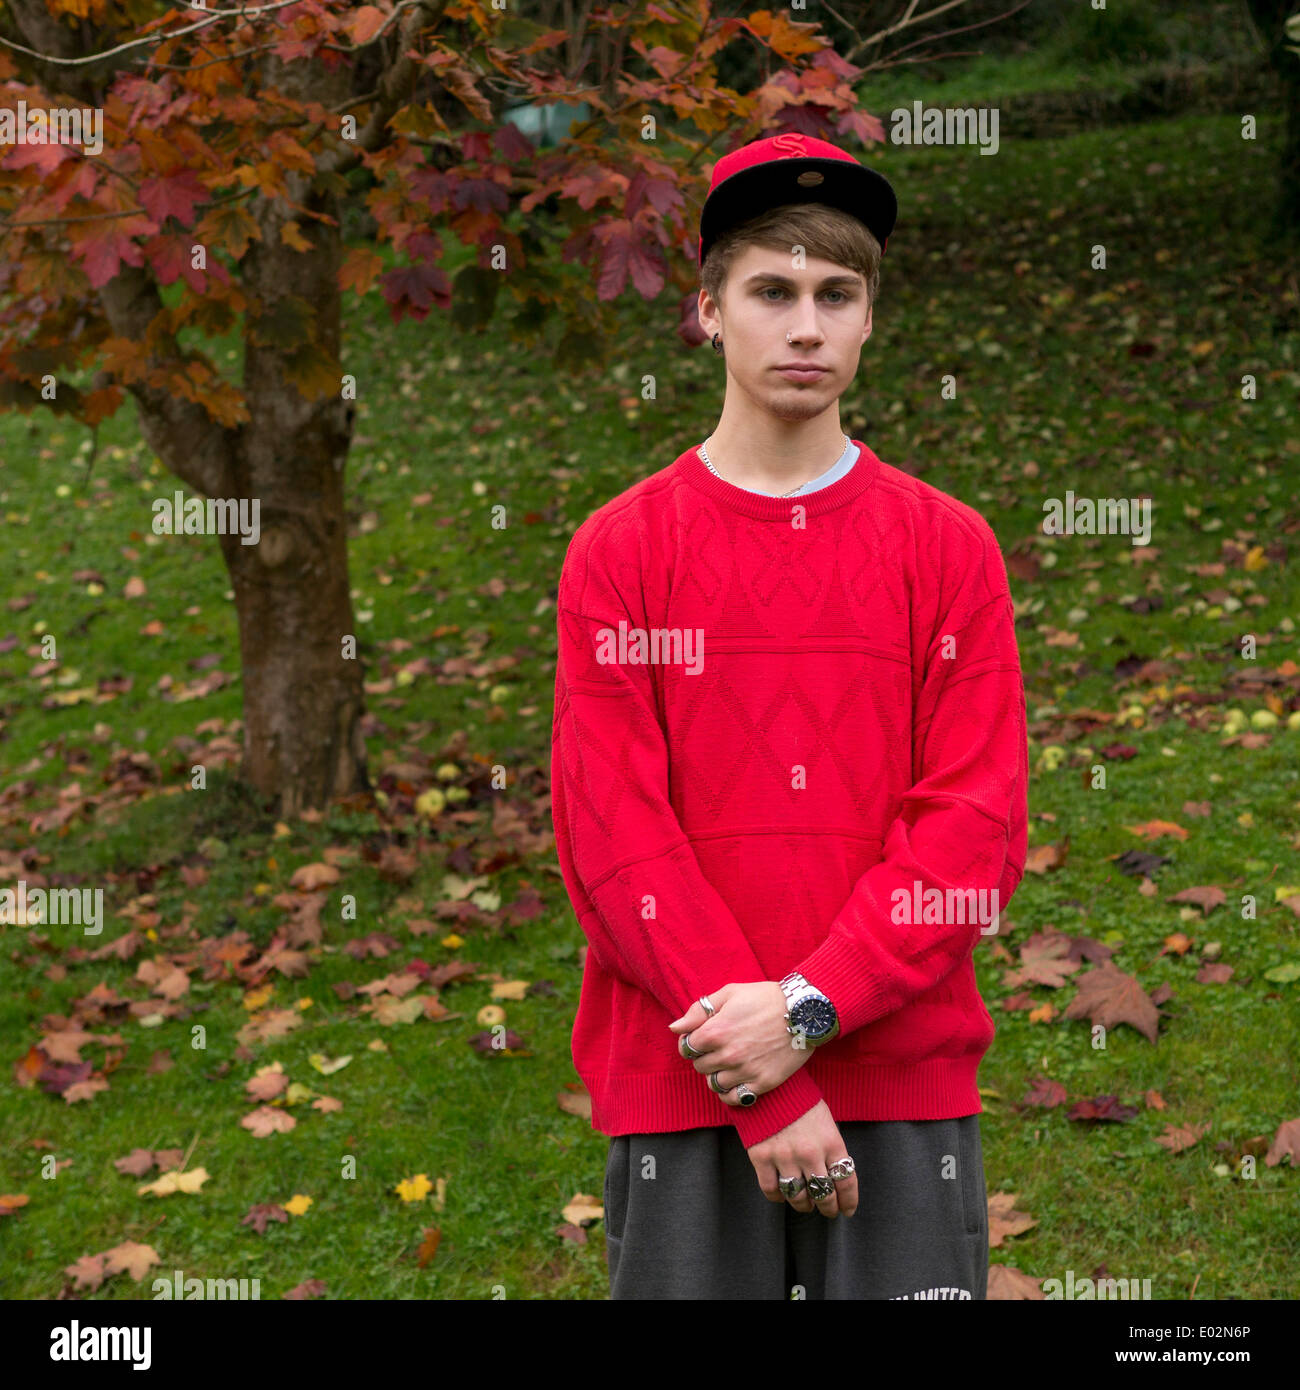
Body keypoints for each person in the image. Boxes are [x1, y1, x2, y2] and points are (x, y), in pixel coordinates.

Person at [549, 131, 1028, 1300]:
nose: (805, 324)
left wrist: (807, 1014)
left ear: (869, 320)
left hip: (900, 1078)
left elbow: (971, 828)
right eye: (772, 290)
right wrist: (757, 1071)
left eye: (835, 294)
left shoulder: (945, 547)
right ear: (708, 311)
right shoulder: (621, 551)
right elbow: (614, 837)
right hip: (684, 1079)